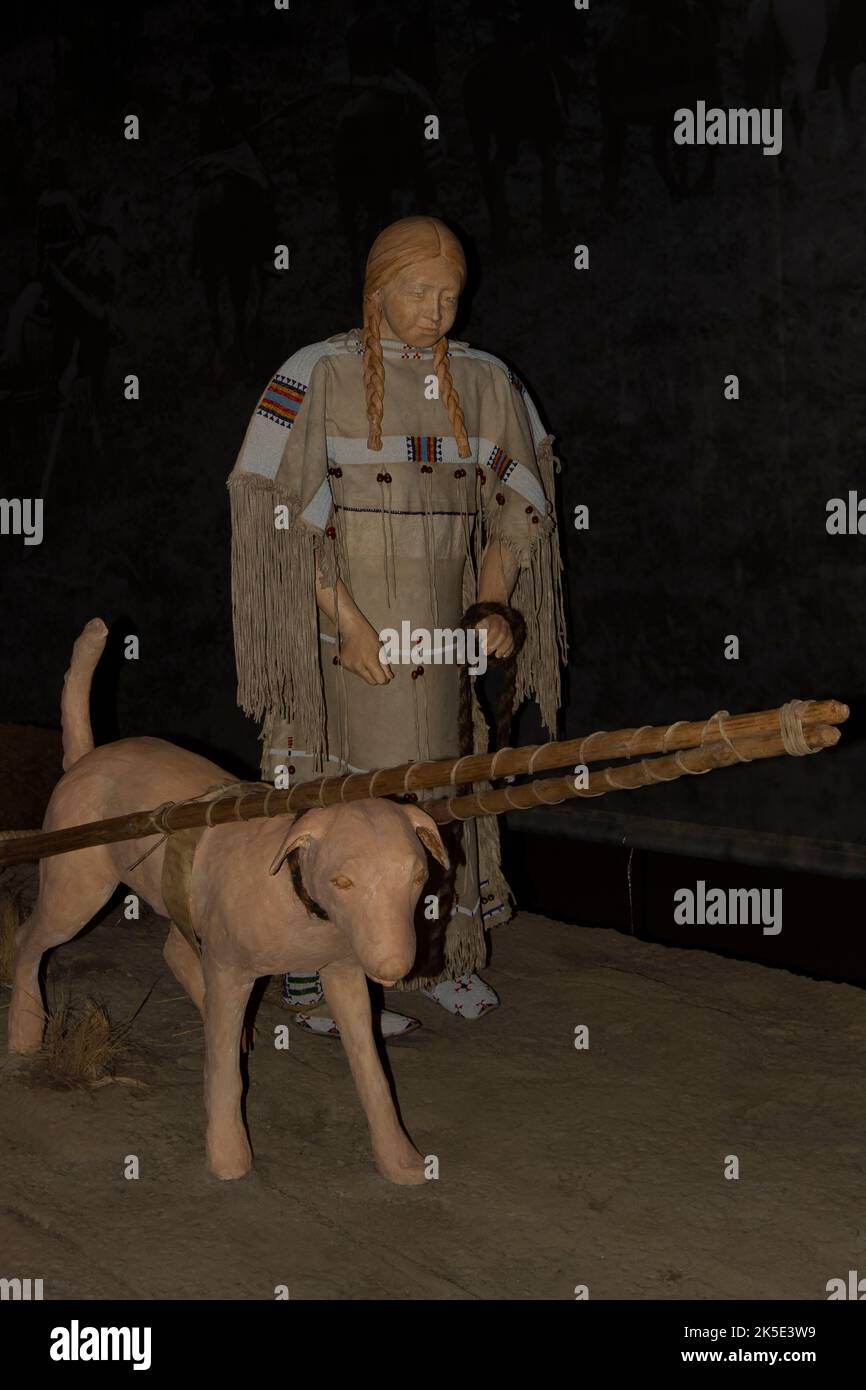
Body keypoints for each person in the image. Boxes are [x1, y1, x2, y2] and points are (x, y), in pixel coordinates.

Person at [228, 216, 567, 1036]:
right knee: (345, 808)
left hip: (440, 651)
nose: (436, 309)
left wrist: (493, 605)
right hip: (350, 650)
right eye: (418, 290)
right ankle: (317, 977)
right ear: (377, 287)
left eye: (450, 293)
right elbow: (276, 513)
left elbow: (517, 506)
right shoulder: (317, 375)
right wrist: (344, 621)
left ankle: (439, 957)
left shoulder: (486, 383)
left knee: (442, 796)